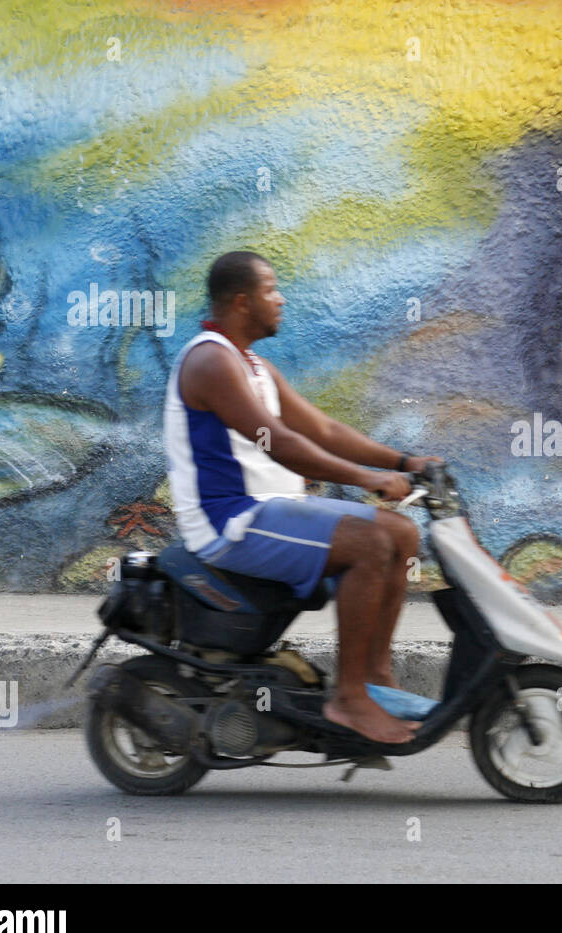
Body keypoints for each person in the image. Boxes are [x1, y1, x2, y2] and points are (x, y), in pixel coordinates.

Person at [163, 251, 440, 744]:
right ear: (242, 302)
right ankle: (348, 698)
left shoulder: (254, 367)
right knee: (368, 545)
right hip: (230, 521)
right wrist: (365, 478)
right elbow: (280, 442)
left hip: (271, 511)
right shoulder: (210, 361)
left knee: (400, 531)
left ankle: (376, 680)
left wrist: (403, 462)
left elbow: (324, 429)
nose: (281, 298)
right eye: (271, 289)